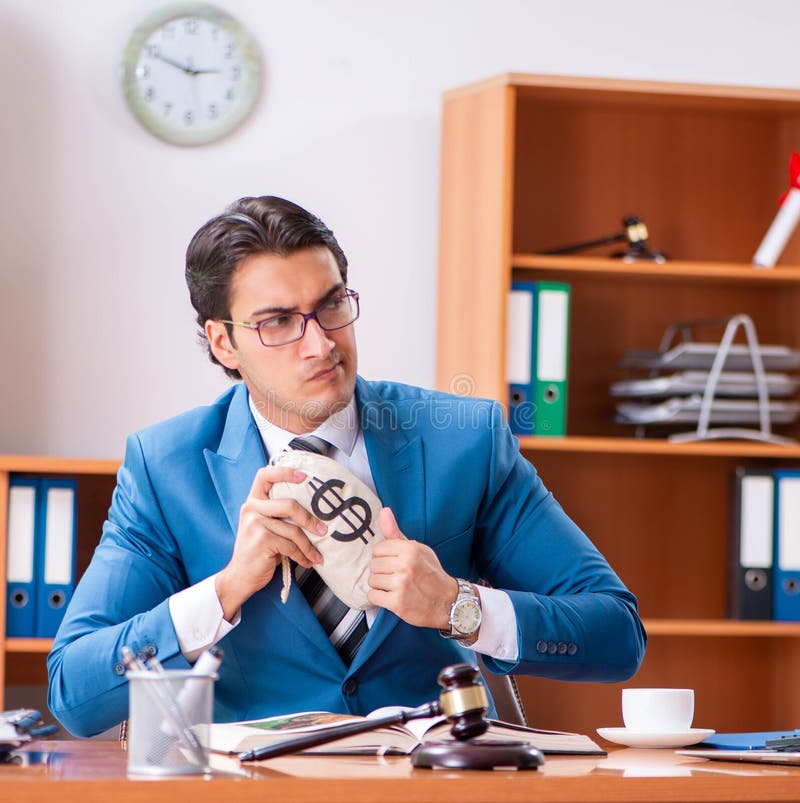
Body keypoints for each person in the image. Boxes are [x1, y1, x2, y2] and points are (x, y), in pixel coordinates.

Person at [47, 196, 646, 737]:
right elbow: (74, 691)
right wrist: (226, 590)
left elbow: (617, 634)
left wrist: (456, 606)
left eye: (331, 304)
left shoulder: (465, 440)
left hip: (431, 783)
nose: (322, 344)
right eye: (278, 322)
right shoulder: (165, 468)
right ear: (223, 342)